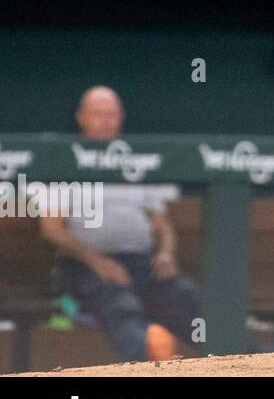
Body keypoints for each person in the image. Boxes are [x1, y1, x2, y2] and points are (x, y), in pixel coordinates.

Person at [34, 87, 202, 363]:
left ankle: (260, 358)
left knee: (182, 295)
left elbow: (162, 224)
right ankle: (145, 366)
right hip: (84, 270)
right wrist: (98, 262)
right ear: (81, 118)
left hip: (141, 266)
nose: (106, 121)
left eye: (111, 114)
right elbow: (51, 228)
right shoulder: (62, 158)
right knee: (120, 303)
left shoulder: (136, 160)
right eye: (98, 114)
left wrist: (166, 253)